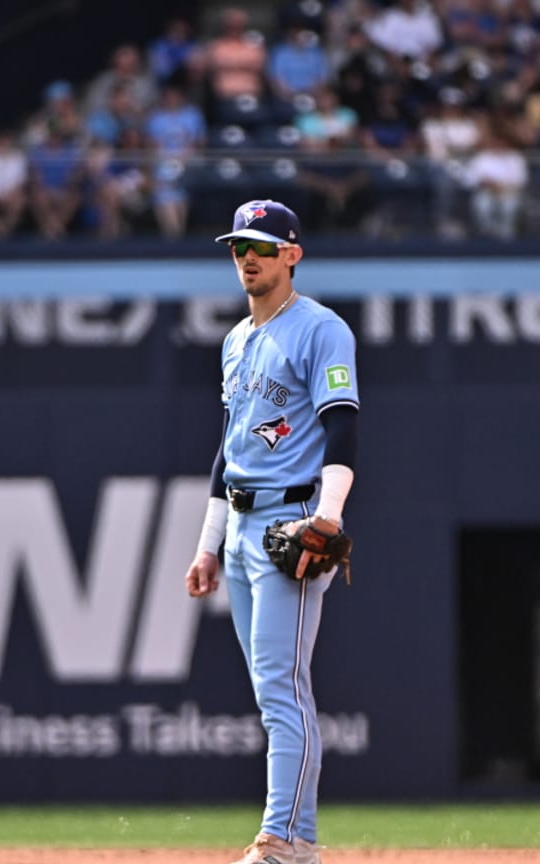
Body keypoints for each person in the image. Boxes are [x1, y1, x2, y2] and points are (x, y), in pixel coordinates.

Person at [184, 200, 359, 864]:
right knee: (274, 689)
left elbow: (342, 427)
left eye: (260, 245)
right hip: (239, 527)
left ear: (292, 253)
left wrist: (329, 515)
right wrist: (207, 544)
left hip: (292, 522)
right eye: (238, 247)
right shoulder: (236, 340)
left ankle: (278, 837)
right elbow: (227, 451)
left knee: (283, 690)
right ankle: (302, 841)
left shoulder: (322, 330)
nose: (247, 257)